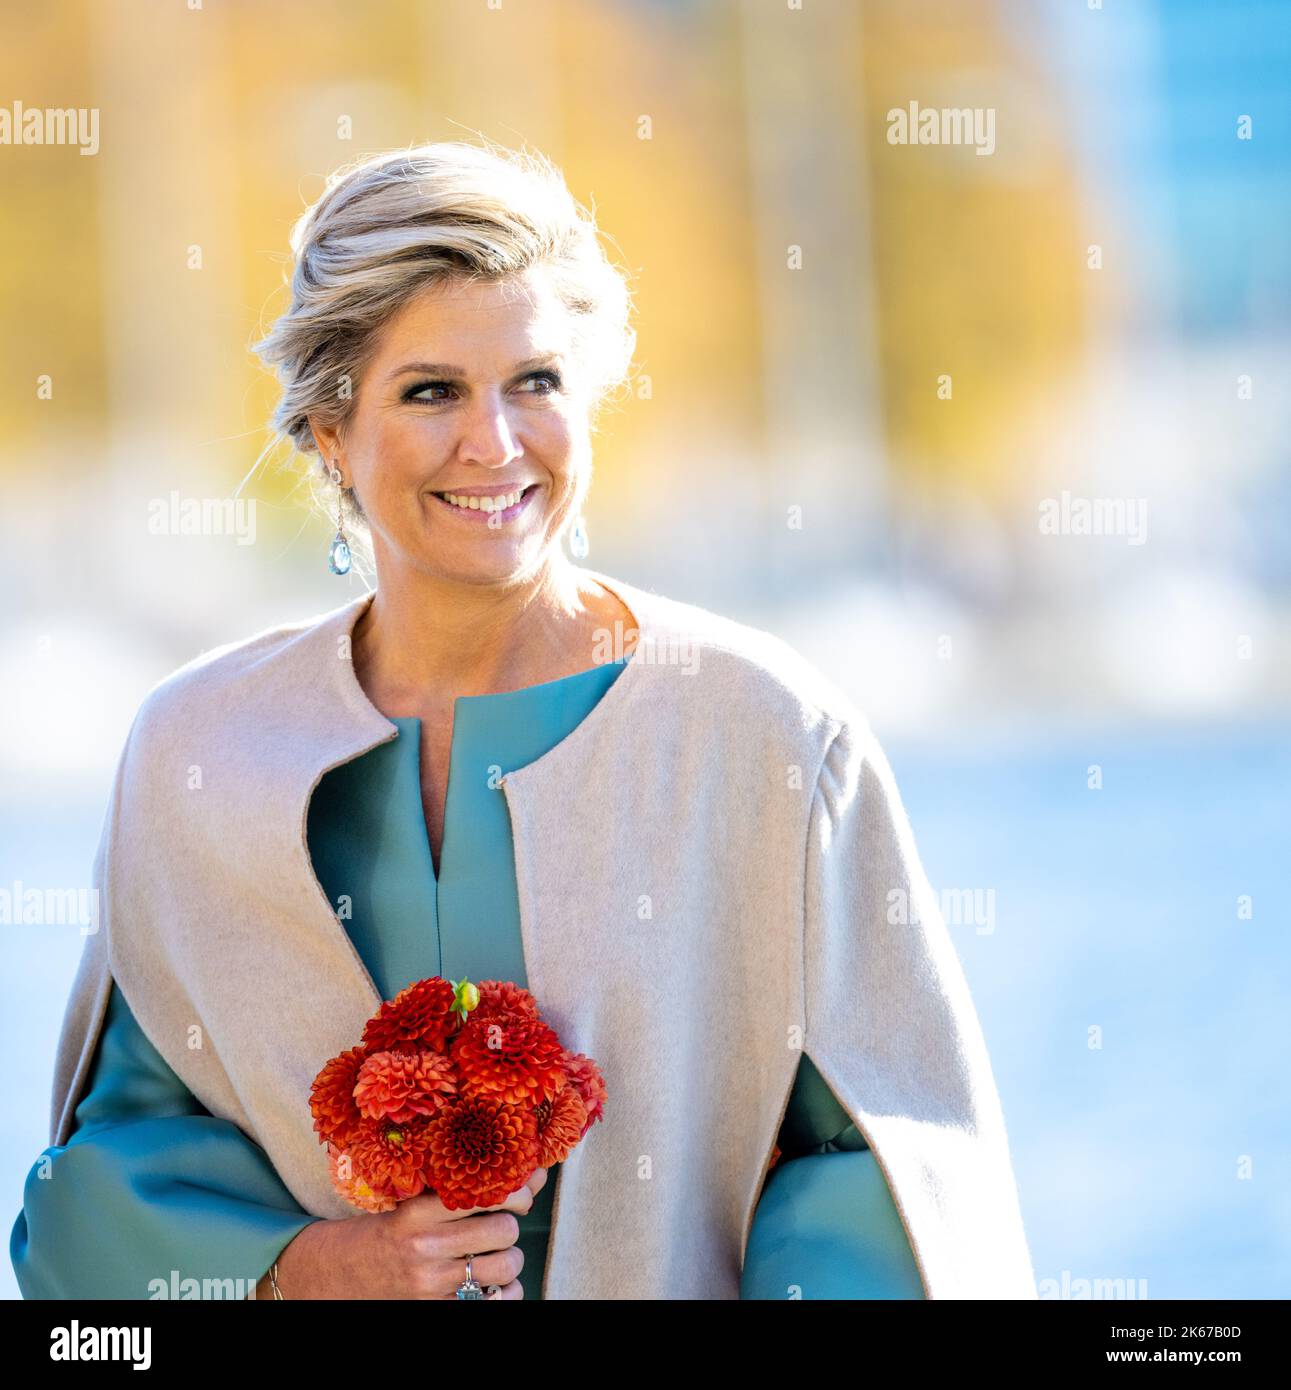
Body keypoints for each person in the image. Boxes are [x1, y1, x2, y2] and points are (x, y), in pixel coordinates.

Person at [11, 140, 1036, 1300]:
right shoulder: (197, 750)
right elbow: (96, 1199)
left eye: (536, 381)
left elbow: (871, 1170)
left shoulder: (763, 733)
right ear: (330, 435)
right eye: (431, 390)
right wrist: (308, 1267)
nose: (494, 444)